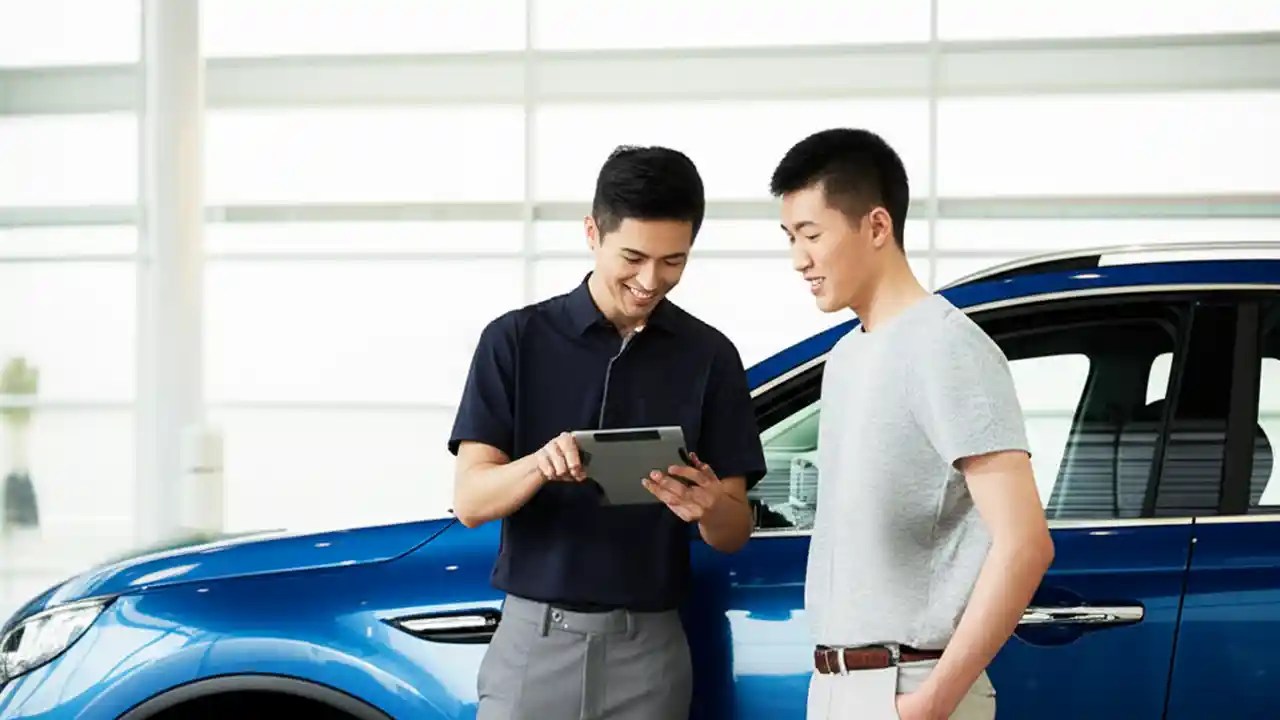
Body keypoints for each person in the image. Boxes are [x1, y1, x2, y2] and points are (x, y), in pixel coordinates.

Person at [449, 144, 767, 720]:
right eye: (634, 257)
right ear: (592, 232)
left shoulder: (710, 357)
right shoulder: (515, 341)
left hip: (650, 652)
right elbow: (471, 501)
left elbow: (734, 530)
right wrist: (539, 465)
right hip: (532, 645)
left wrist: (706, 505)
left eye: (674, 260)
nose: (651, 280)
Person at [769, 128, 1055, 720]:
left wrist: (928, 705)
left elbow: (1025, 544)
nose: (800, 259)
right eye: (790, 237)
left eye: (812, 235)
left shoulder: (947, 348)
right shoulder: (847, 356)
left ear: (876, 227)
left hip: (908, 683)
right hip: (836, 683)